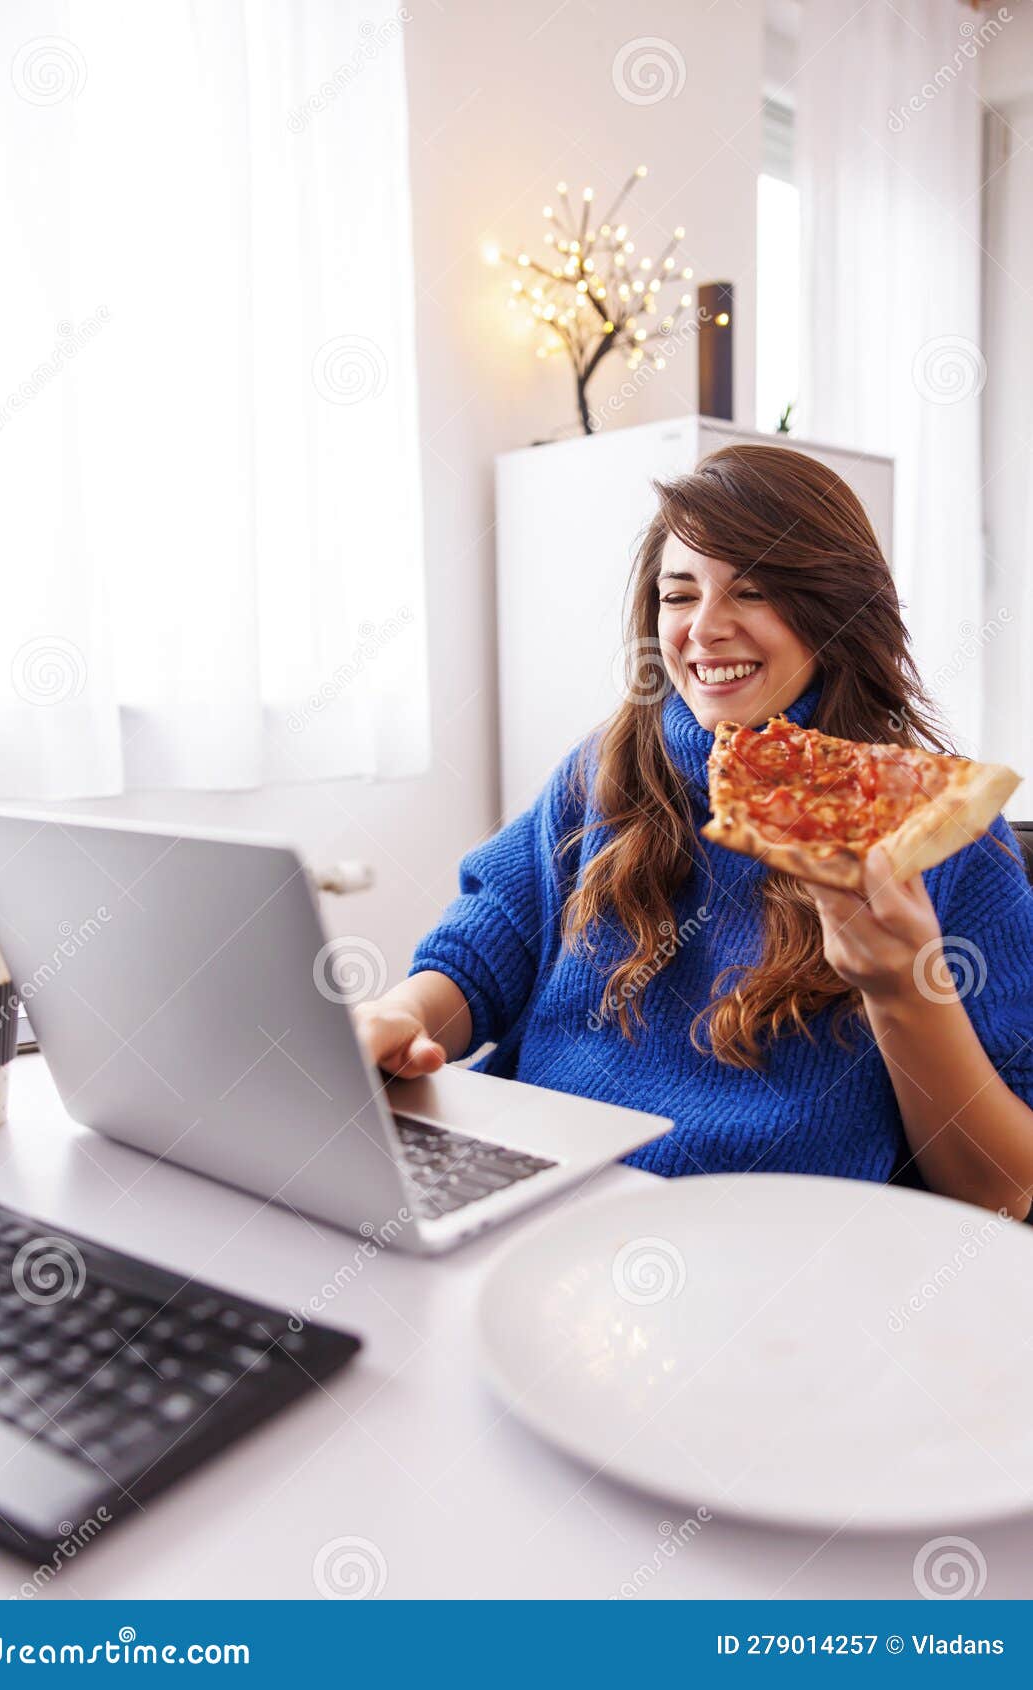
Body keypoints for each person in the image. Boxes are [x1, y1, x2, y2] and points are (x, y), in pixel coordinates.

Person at [354, 445, 1033, 1217]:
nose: (704, 629)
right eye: (678, 595)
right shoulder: (603, 767)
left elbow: (1002, 1187)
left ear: (834, 610)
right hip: (534, 1205)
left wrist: (902, 991)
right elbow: (485, 949)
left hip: (762, 1264)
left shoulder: (952, 844)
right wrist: (402, 1017)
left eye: (751, 592)